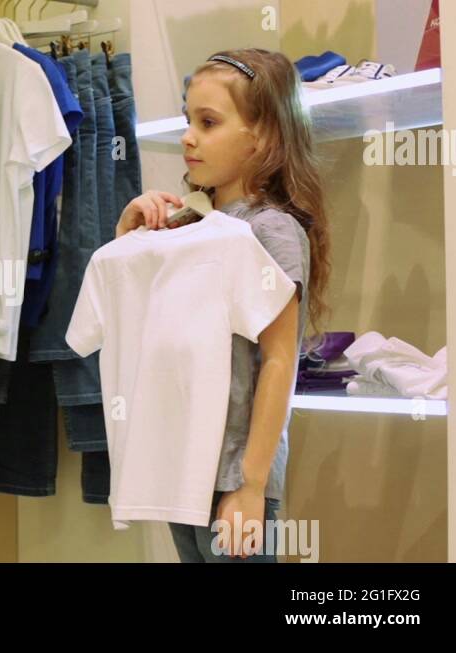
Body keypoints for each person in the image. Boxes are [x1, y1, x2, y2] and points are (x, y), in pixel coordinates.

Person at [115, 49, 332, 562]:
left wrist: (251, 485)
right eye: (189, 119)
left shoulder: (269, 230)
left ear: (263, 135)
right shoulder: (195, 225)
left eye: (208, 122)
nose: (188, 135)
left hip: (234, 473)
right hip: (186, 467)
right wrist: (128, 237)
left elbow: (279, 361)